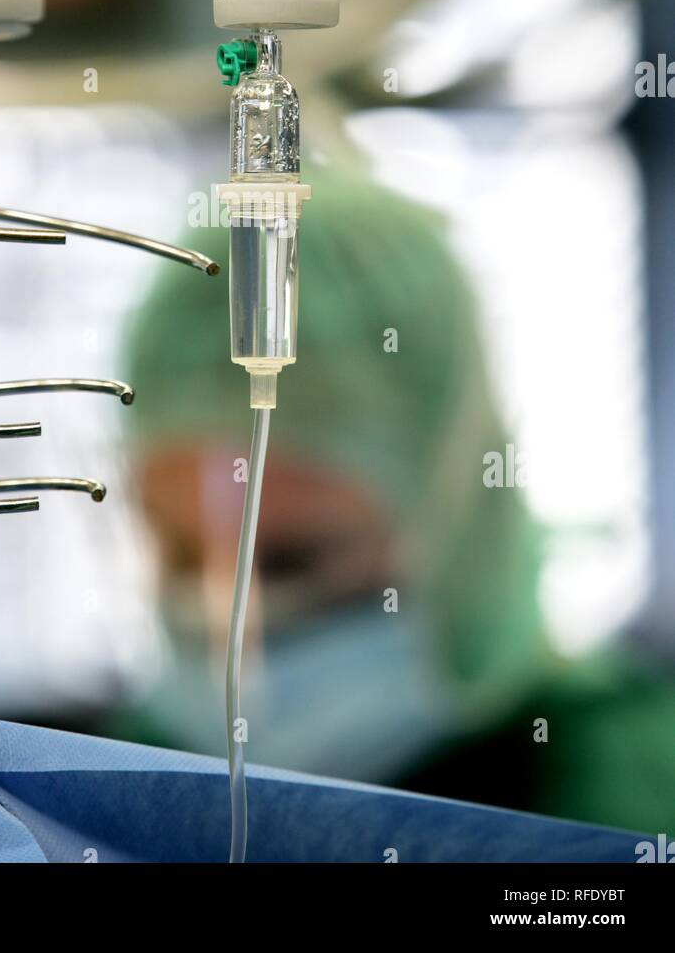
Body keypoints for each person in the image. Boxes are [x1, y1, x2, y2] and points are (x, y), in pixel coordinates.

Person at [118, 167, 675, 836]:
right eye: (180, 556)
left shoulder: (634, 806)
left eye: (294, 562)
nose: (229, 621)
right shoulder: (99, 795)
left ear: (458, 515)